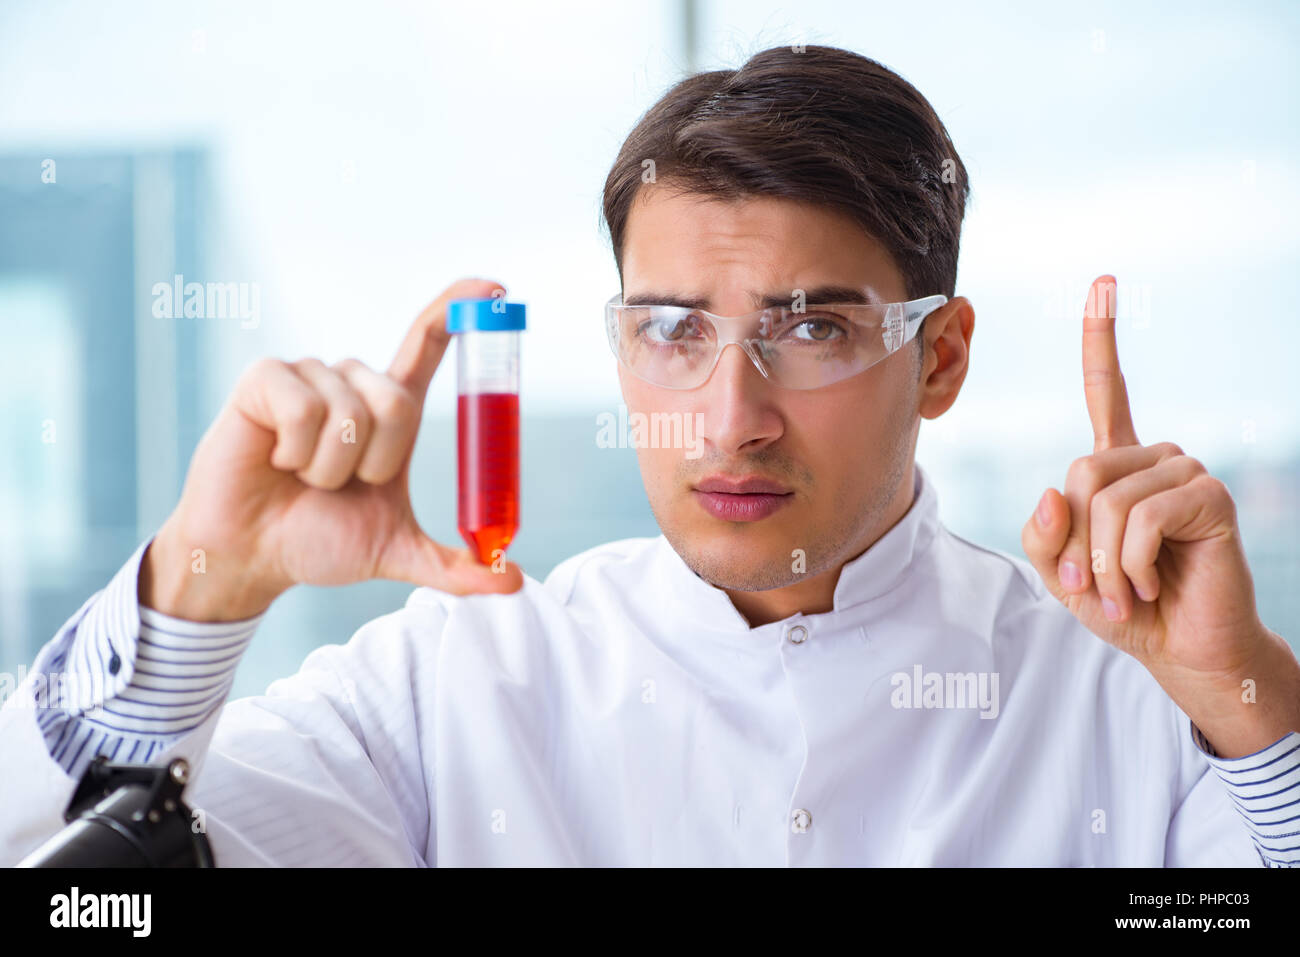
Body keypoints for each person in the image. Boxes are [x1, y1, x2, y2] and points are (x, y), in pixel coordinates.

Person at [2, 44, 1297, 867]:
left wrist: (1251, 698)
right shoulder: (455, 687)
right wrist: (196, 587)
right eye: (673, 330)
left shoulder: (1132, 703)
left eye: (812, 327)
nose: (730, 416)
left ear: (943, 357)